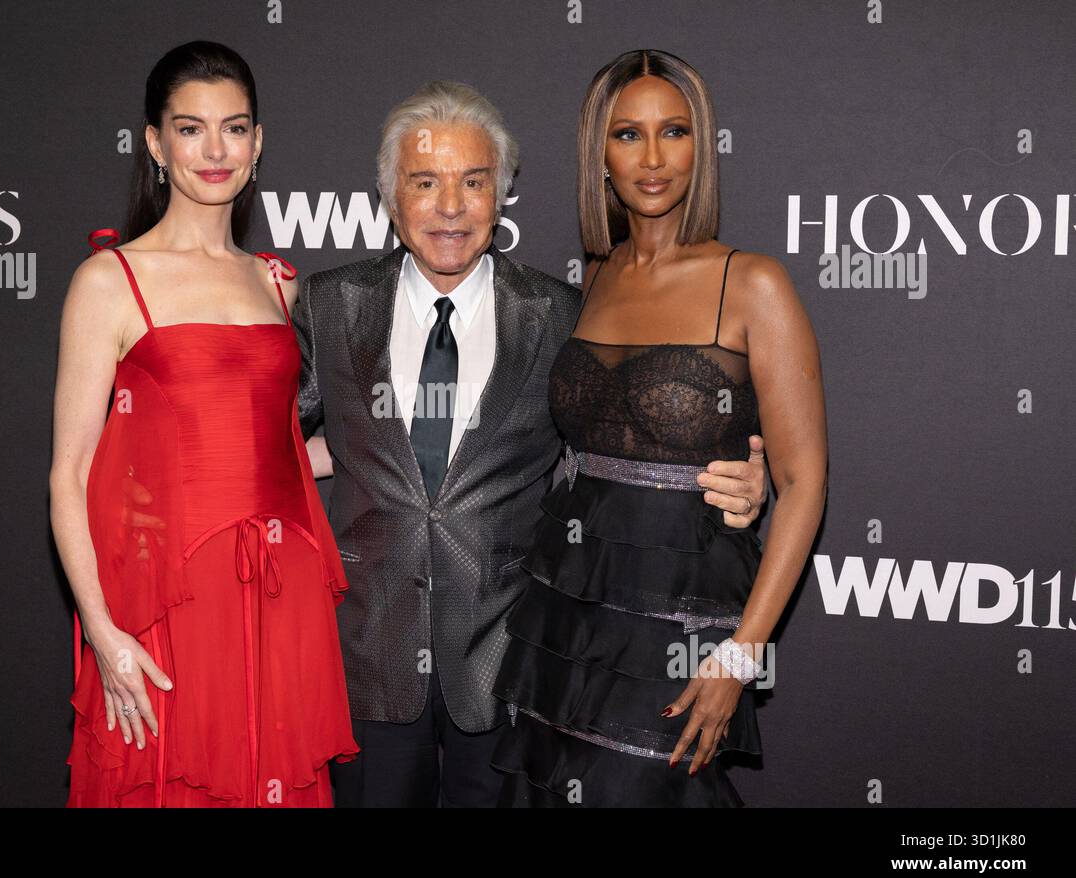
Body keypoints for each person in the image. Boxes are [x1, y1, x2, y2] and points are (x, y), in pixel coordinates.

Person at [294, 80, 769, 808]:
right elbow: (263, 437)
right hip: (363, 654)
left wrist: (735, 481)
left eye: (473, 181)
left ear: (501, 196)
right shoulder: (330, 303)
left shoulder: (562, 314)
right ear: (391, 197)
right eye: (425, 182)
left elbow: (620, 448)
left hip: (512, 660)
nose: (451, 207)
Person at [489, 49, 829, 807]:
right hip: (568, 614)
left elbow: (803, 483)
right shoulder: (595, 276)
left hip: (681, 621)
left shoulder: (753, 282)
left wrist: (740, 657)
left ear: (701, 145)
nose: (652, 159)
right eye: (627, 134)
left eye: (674, 132)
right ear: (599, 153)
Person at [49, 41, 357, 807]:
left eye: (234, 128)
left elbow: (277, 448)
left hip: (278, 596)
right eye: (191, 129)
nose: (215, 150)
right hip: (167, 603)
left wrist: (398, 443)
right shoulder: (109, 280)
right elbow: (70, 472)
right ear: (155, 144)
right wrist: (103, 633)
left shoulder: (277, 284)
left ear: (258, 142)